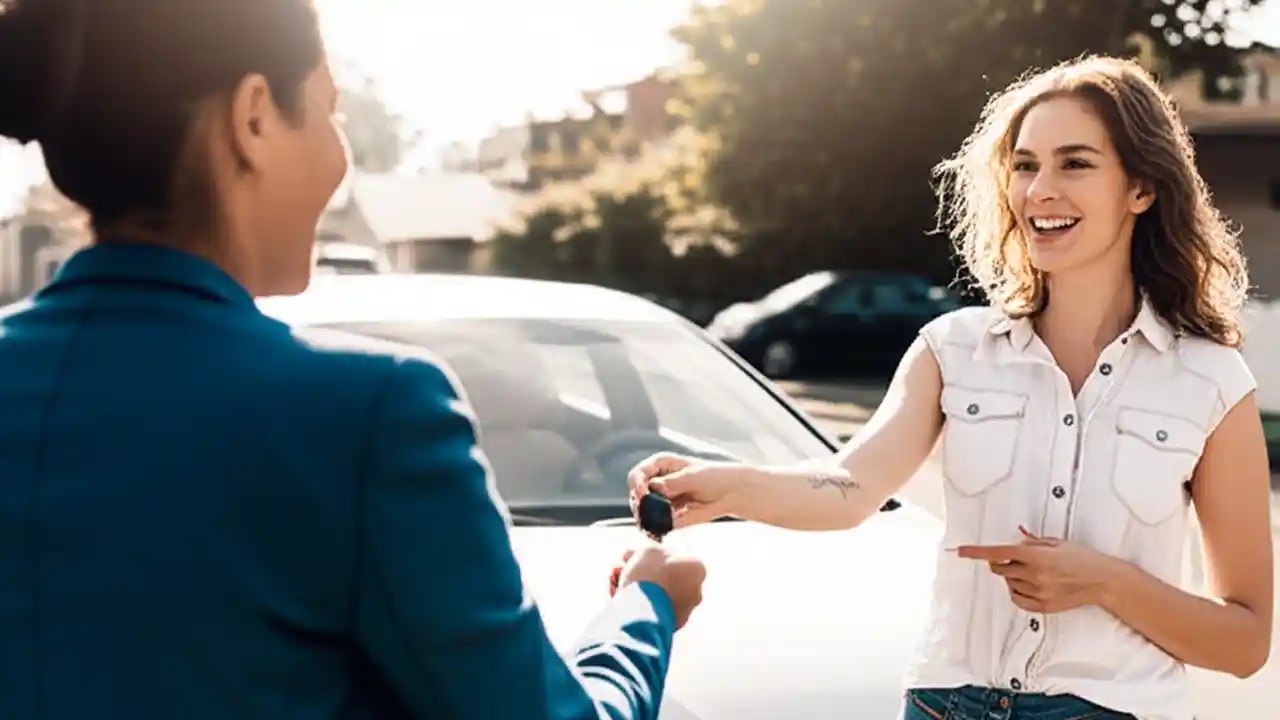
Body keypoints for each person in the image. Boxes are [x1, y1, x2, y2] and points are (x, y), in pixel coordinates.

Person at [0, 1, 705, 718]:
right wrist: (645, 607)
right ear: (253, 118)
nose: (342, 155)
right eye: (330, 110)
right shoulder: (367, 412)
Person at [629, 55, 1273, 720]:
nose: (1039, 190)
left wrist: (1106, 583)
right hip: (945, 706)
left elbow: (1245, 642)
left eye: (1074, 163)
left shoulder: (1209, 381)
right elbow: (848, 490)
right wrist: (726, 486)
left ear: (1141, 188)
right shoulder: (954, 349)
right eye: (1025, 165)